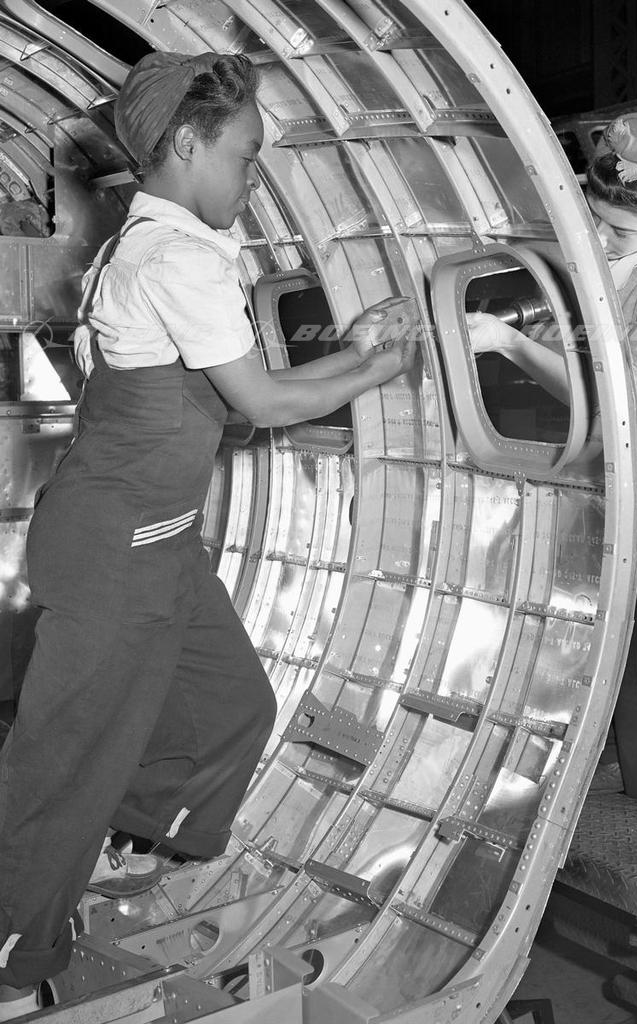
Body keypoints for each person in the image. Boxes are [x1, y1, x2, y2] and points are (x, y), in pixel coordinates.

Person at [0, 50, 415, 1017]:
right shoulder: (176, 255)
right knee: (62, 761)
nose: (253, 175)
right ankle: (14, 950)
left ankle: (107, 842)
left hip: (157, 541)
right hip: (116, 552)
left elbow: (229, 399)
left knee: (229, 708)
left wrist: (356, 355)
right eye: (245, 155)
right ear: (187, 144)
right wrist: (375, 370)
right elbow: (264, 402)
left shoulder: (167, 250)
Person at [468, 113, 637, 827]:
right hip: (608, 459)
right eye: (596, 222)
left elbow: (626, 389)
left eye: (618, 232)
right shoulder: (619, 258)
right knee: (592, 639)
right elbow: (583, 343)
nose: (602, 241)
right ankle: (608, 809)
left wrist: (508, 345)